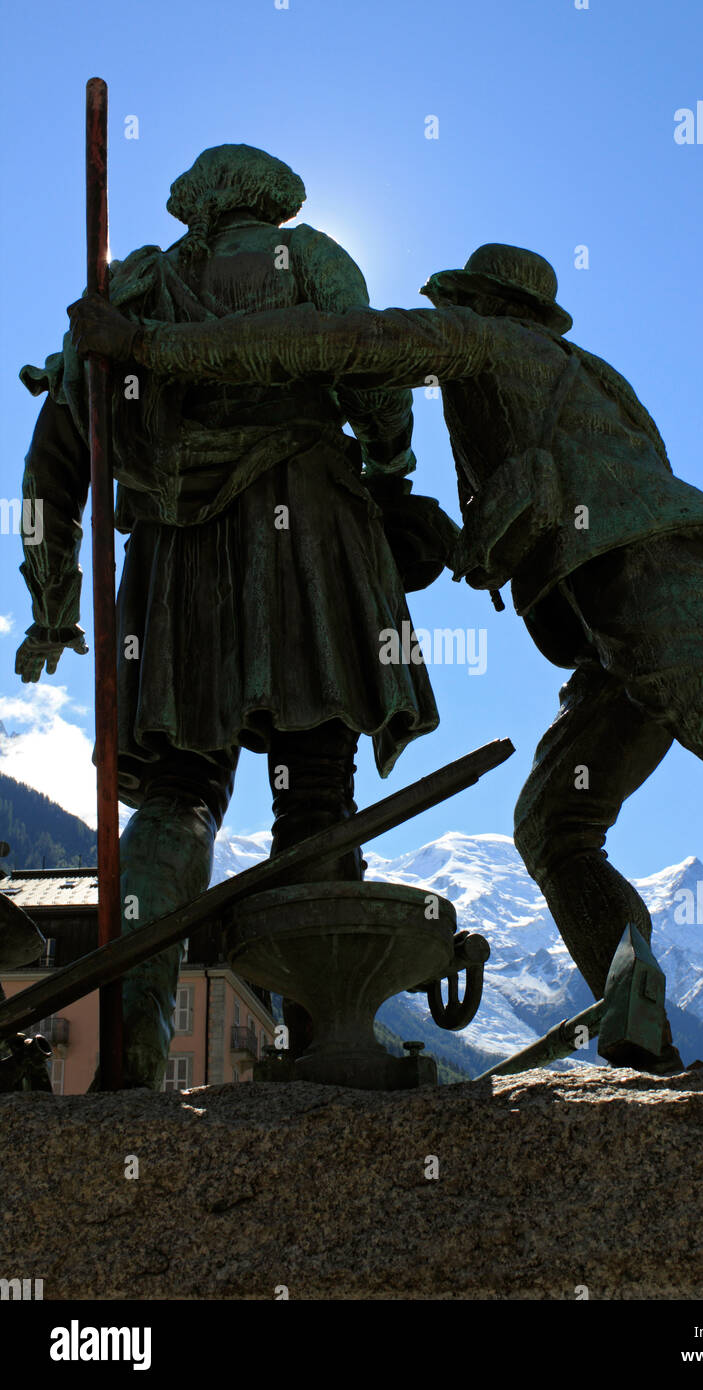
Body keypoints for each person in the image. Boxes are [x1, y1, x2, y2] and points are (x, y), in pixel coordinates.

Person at [68, 242, 703, 1074]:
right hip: (615, 631)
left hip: (650, 587)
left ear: (479, 304)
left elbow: (325, 341)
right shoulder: (586, 378)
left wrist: (147, 348)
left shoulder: (478, 342)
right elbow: (544, 500)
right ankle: (637, 1018)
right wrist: (452, 539)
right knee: (555, 827)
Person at [17, 145, 448, 1089]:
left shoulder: (131, 287)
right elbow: (373, 375)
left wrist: (52, 601)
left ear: (192, 203)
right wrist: (389, 470)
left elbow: (54, 455)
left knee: (179, 798)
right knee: (315, 791)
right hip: (313, 534)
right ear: (273, 200)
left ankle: (129, 1046)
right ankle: (329, 1046)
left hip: (178, 556)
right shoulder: (314, 260)